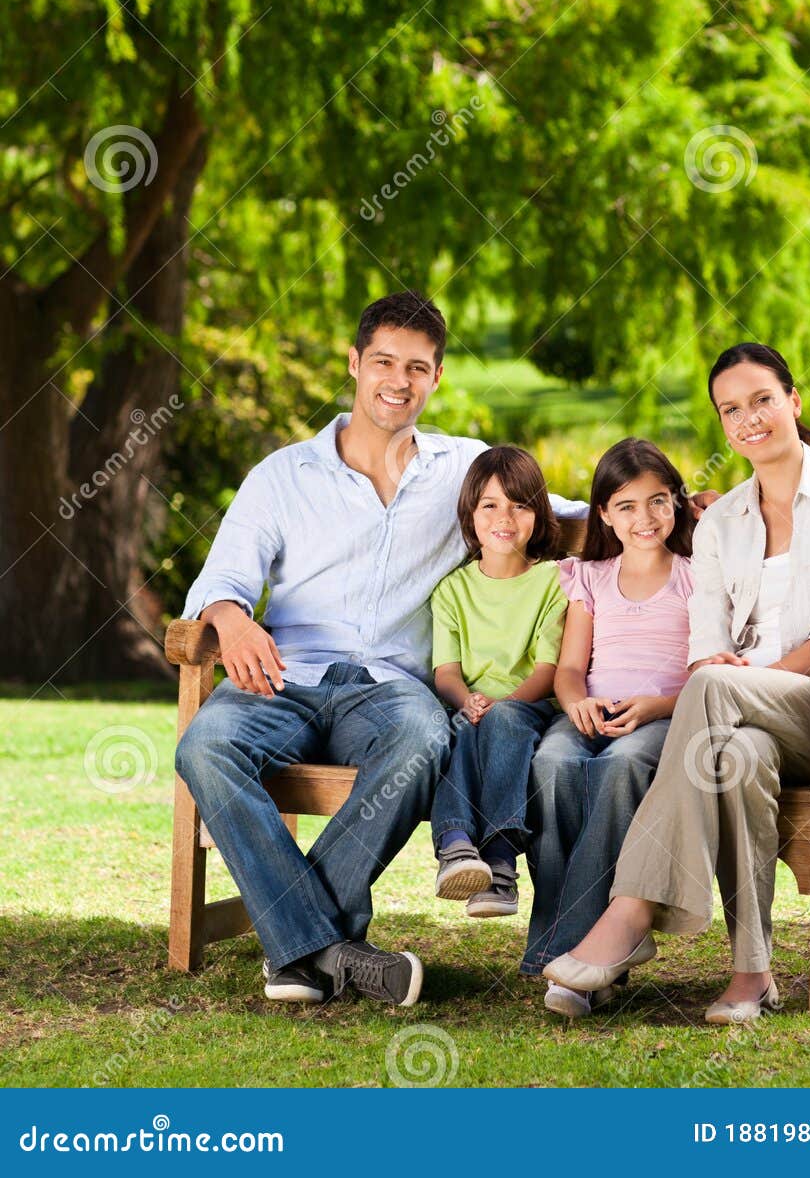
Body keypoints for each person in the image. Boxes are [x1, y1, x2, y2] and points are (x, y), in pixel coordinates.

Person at [173, 289, 590, 1007]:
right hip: (285, 672)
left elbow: (568, 517)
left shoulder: (465, 469)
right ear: (355, 364)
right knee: (203, 746)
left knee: (425, 741)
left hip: (393, 688)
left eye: (419, 368)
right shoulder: (283, 475)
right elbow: (222, 579)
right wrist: (231, 619)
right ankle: (331, 950)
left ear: (437, 378)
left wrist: (679, 510)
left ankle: (299, 951)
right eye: (385, 362)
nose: (399, 381)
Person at [544, 341, 810, 1025]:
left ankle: (629, 912)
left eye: (763, 400)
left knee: (713, 691)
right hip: (737, 725)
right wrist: (729, 682)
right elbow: (706, 643)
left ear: (793, 402)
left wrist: (751, 681)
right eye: (731, 409)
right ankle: (751, 977)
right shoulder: (721, 525)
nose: (750, 418)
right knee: (736, 754)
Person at [523, 439, 694, 1019]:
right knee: (551, 763)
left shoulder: (696, 578)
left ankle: (568, 953)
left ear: (677, 504)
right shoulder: (590, 578)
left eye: (658, 501)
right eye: (626, 505)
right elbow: (569, 670)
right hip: (592, 710)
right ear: (603, 514)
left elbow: (704, 676)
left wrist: (655, 707)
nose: (644, 518)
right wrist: (574, 706)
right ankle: (591, 949)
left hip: (662, 716)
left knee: (621, 766)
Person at [430, 446, 567, 920]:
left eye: (519, 504)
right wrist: (467, 700)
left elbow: (548, 670)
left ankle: (502, 865)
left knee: (500, 720)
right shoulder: (452, 591)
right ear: (470, 515)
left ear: (539, 514)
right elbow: (445, 672)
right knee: (460, 728)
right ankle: (456, 847)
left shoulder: (554, 582)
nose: (504, 517)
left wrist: (500, 704)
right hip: (471, 707)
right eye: (490, 505)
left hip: (529, 707)